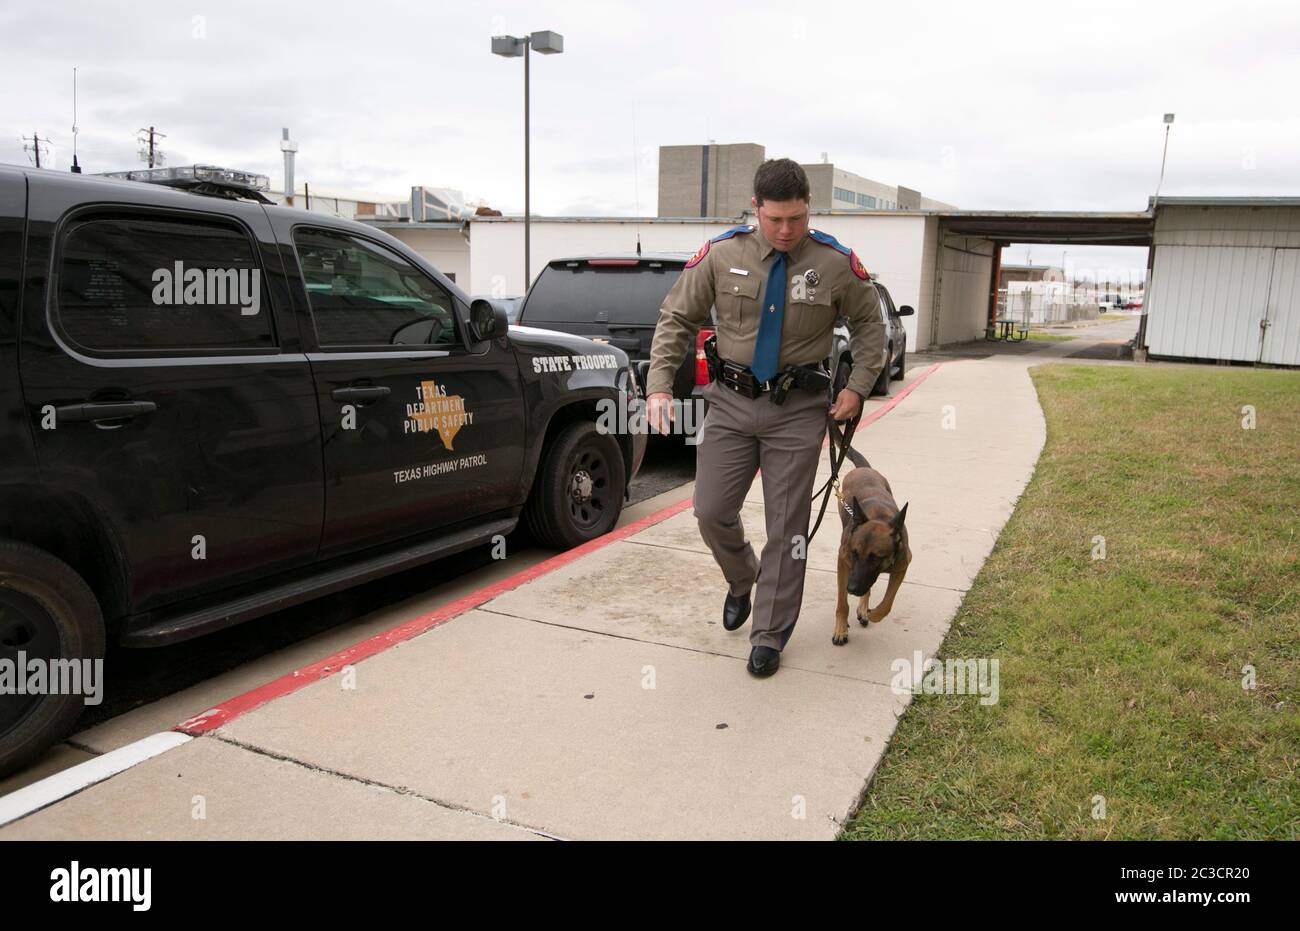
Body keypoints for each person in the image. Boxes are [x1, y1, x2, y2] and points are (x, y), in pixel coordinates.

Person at [644, 158, 887, 678]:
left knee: (787, 528)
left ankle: (770, 634)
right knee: (710, 511)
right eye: (774, 219)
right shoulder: (721, 254)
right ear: (756, 209)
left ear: (808, 210)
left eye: (796, 219)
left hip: (798, 410)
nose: (785, 230)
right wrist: (659, 385)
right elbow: (675, 318)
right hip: (729, 403)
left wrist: (856, 387)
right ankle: (742, 576)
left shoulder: (835, 262)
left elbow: (872, 327)